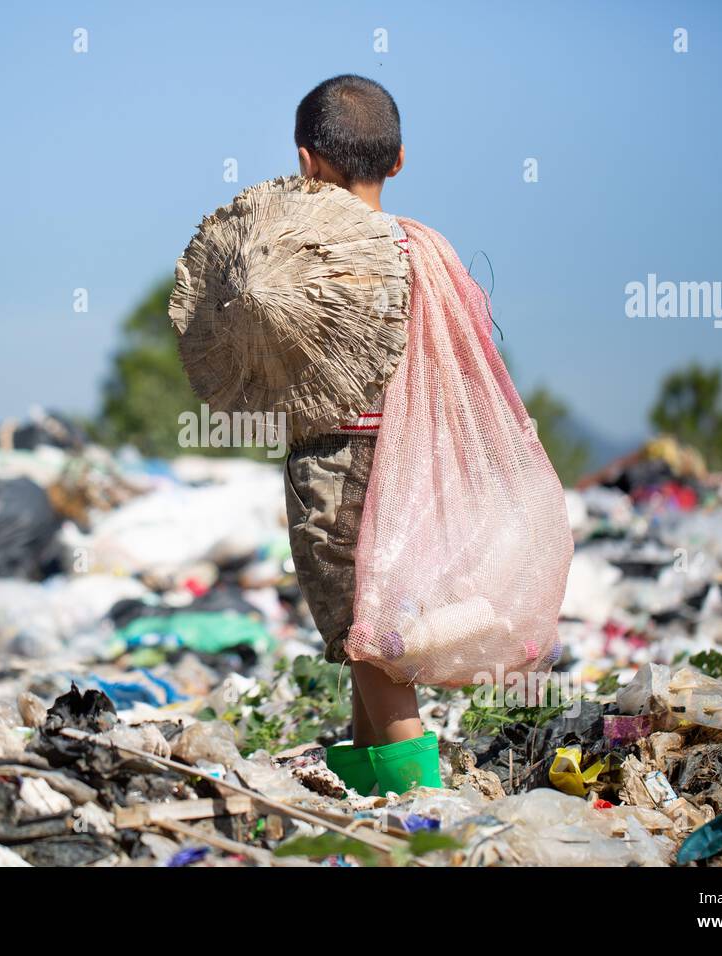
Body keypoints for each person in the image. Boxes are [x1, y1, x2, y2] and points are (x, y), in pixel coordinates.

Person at [285, 74, 442, 796]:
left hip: (336, 459)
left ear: (306, 161)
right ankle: (369, 785)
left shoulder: (303, 252)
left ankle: (425, 800)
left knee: (364, 635)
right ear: (399, 160)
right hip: (413, 459)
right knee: (377, 622)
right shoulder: (421, 249)